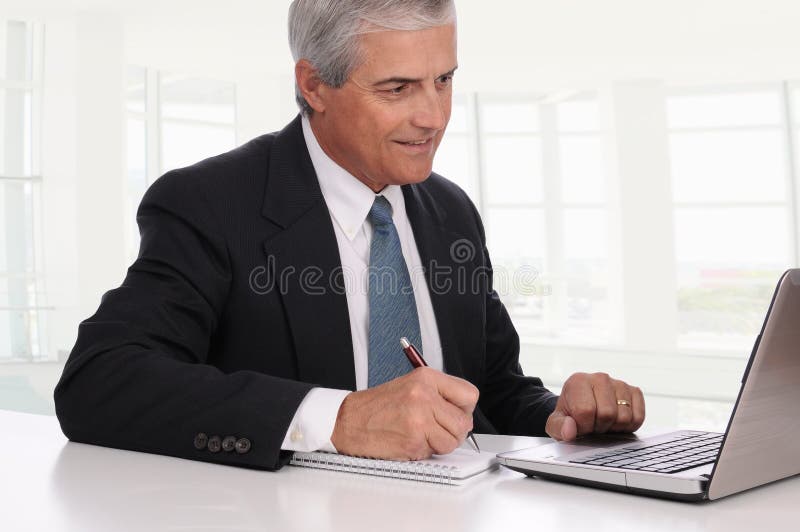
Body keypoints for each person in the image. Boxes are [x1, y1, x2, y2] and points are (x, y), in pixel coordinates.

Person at [54, 0, 644, 470]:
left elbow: (491, 389)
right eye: (398, 88)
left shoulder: (451, 210)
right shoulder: (210, 202)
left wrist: (559, 418)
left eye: (443, 79)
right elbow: (99, 381)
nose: (434, 116)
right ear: (314, 86)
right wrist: (337, 418)